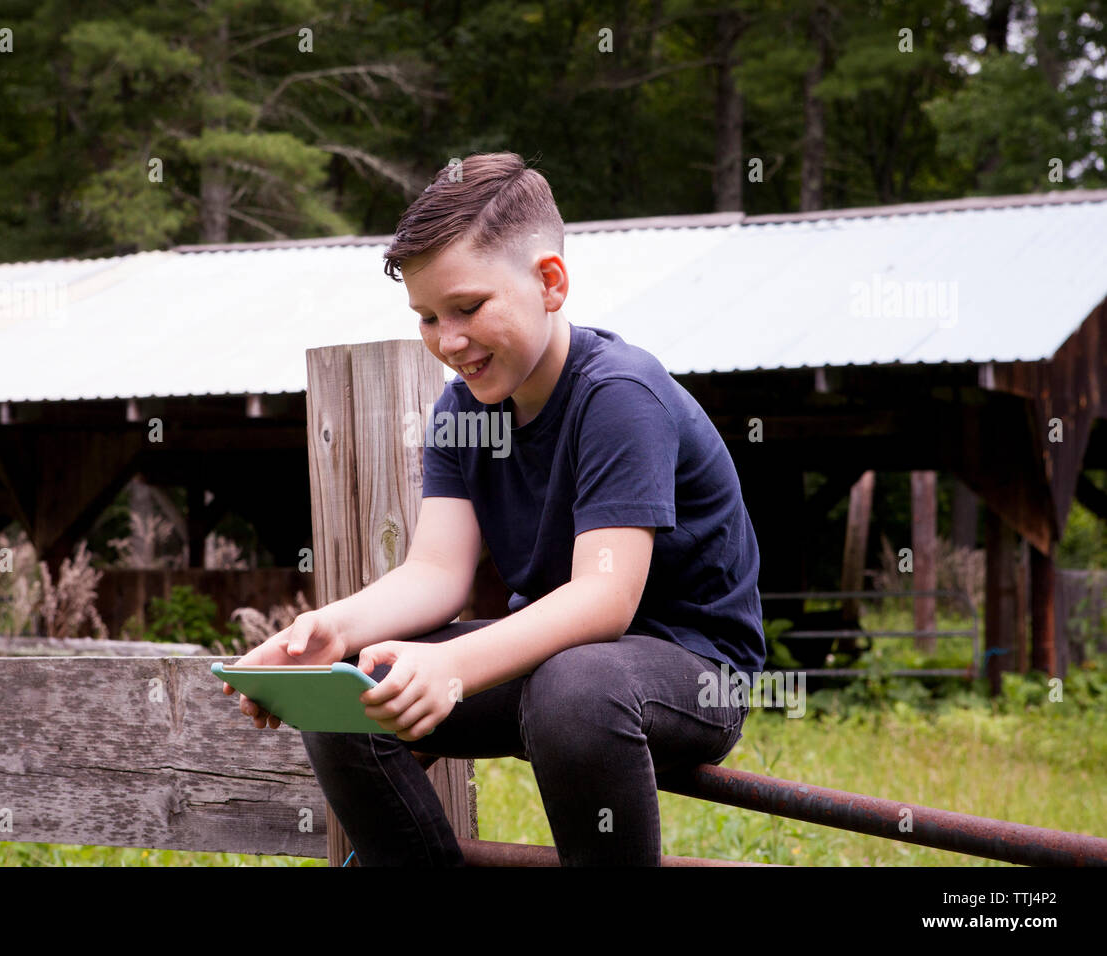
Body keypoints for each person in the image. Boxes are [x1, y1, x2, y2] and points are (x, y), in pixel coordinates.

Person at [223, 151, 766, 866]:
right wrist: (324, 634)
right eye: (427, 318)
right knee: (349, 693)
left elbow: (604, 600)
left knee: (577, 688)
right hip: (552, 664)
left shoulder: (618, 395)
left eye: (469, 308)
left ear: (550, 282)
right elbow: (436, 575)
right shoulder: (463, 410)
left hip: (688, 671)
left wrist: (452, 668)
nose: (448, 342)